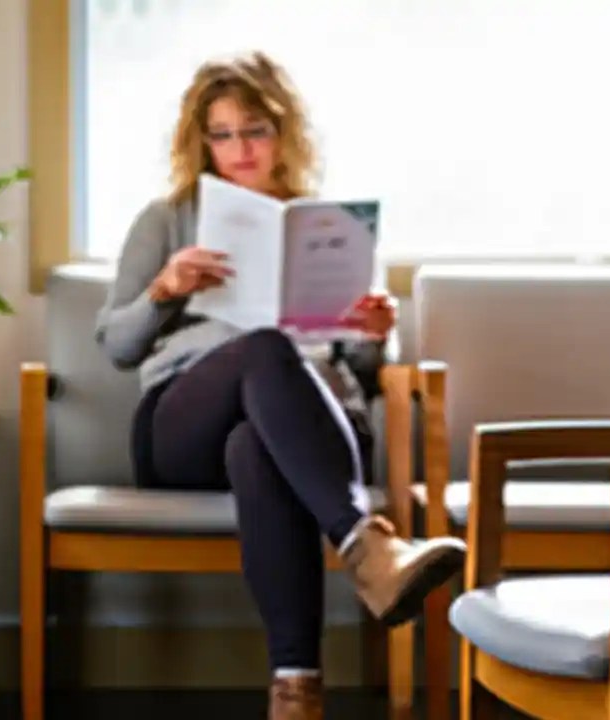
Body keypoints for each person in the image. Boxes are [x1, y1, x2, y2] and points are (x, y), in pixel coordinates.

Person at [95, 50, 466, 720]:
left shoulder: (327, 227)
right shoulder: (167, 219)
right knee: (262, 349)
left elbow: (364, 377)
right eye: (223, 133)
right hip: (184, 427)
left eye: (255, 130)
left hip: (306, 427)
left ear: (283, 132)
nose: (240, 148)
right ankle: (364, 544)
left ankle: (296, 692)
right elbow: (118, 347)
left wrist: (377, 333)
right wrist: (164, 288)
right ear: (201, 141)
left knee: (256, 447)